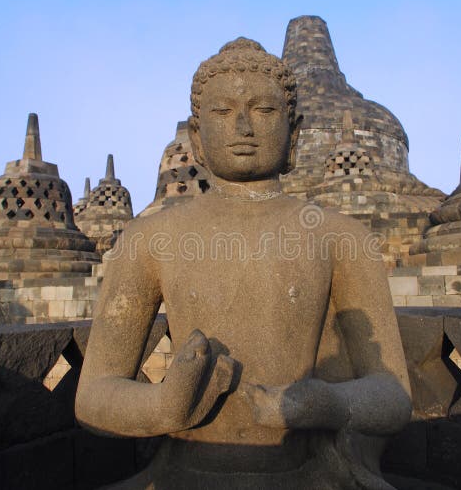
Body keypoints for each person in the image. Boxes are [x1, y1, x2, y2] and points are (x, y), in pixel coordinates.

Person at [76, 38, 411, 489]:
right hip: (180, 476)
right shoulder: (148, 240)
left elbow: (392, 395)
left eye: (264, 110)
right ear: (196, 139)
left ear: (294, 133)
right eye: (220, 112)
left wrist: (326, 405)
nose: (242, 126)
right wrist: (162, 408)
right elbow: (93, 396)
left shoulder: (342, 238)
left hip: (312, 476)